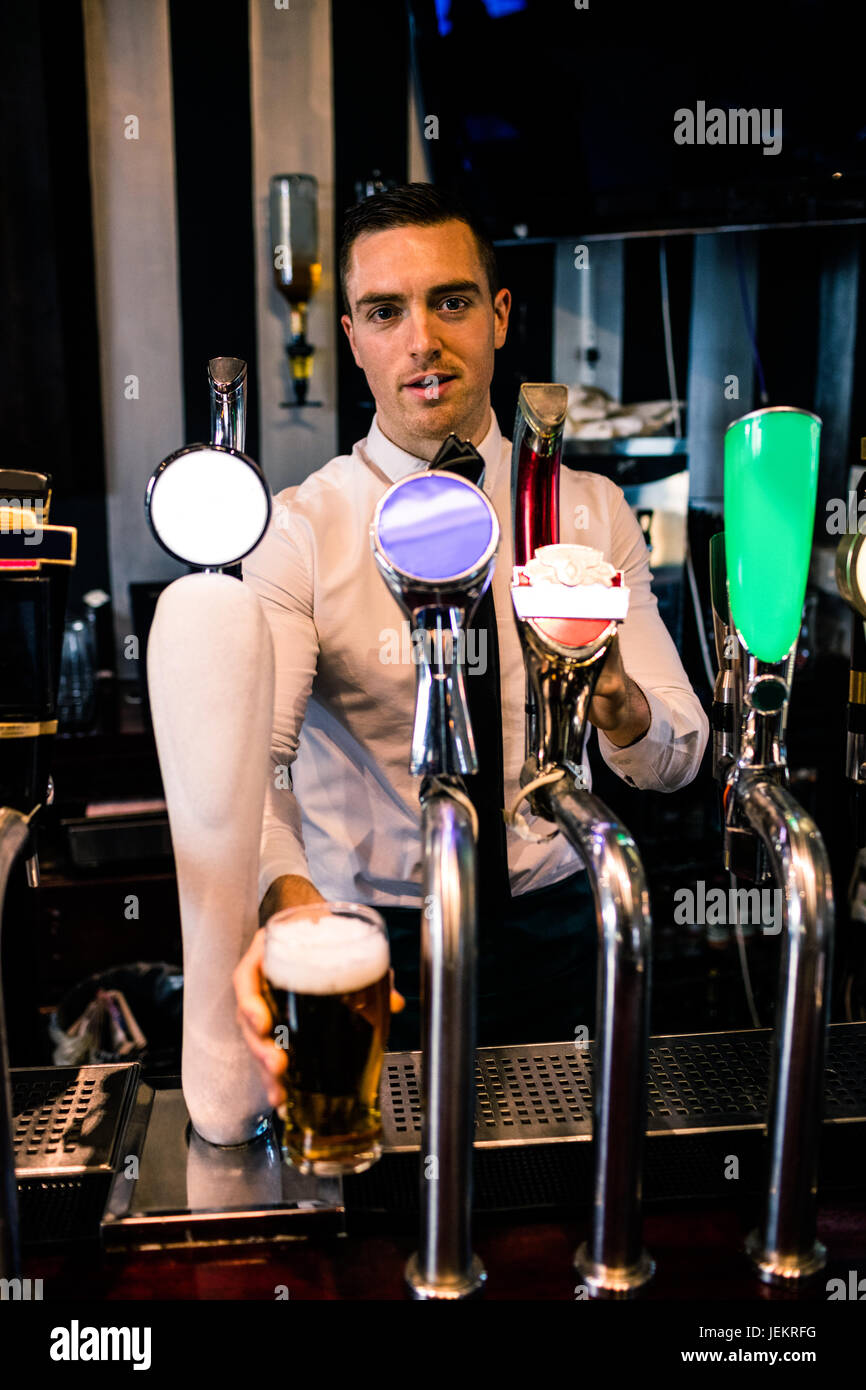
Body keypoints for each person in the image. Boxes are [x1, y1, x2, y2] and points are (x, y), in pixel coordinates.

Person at [234, 183, 708, 1110]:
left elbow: (677, 758)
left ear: (495, 316)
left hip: (562, 925)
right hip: (373, 942)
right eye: (385, 311)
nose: (422, 341)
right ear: (354, 337)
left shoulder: (590, 509)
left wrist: (610, 693)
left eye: (449, 302)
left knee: (569, 1192)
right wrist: (286, 901)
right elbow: (259, 766)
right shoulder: (299, 530)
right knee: (381, 1214)